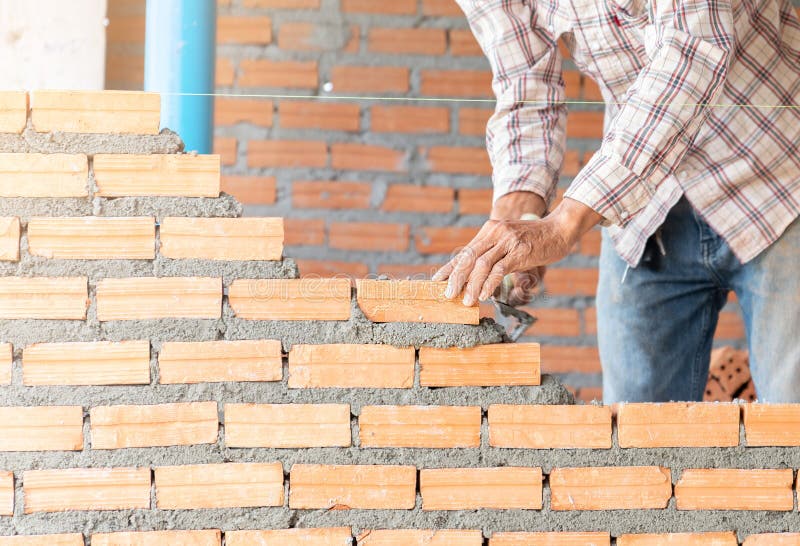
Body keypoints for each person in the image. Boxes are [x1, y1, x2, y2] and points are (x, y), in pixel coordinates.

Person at [433, 0, 800, 402]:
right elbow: (525, 91)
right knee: (633, 425)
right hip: (646, 215)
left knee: (791, 413)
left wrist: (564, 225)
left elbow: (692, 48)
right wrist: (517, 221)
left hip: (777, 178)